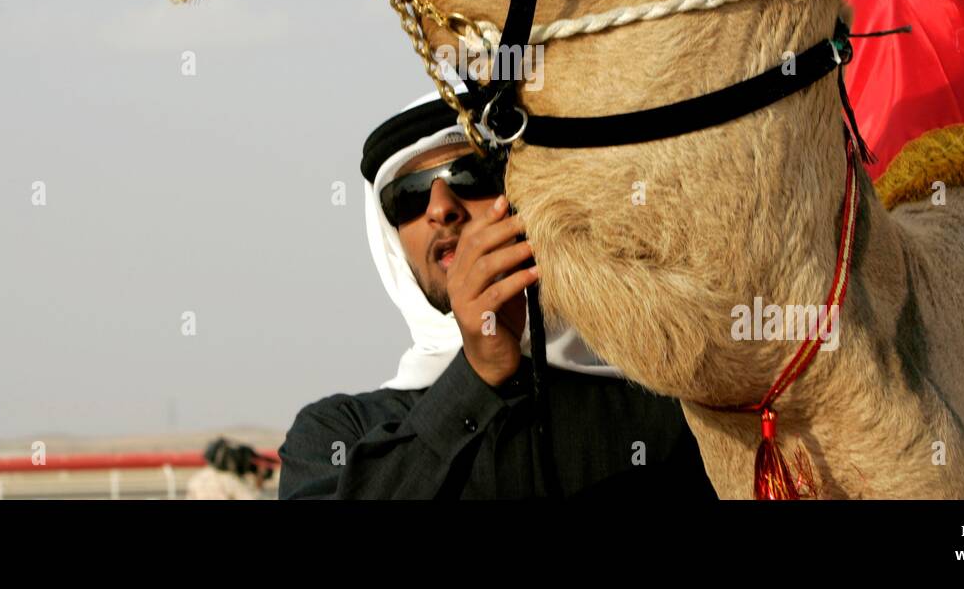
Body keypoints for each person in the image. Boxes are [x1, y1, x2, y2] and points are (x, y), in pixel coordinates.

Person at [277, 89, 716, 499]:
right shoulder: (338, 433)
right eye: (408, 196)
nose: (440, 208)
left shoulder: (675, 411)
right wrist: (474, 377)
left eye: (469, 173)